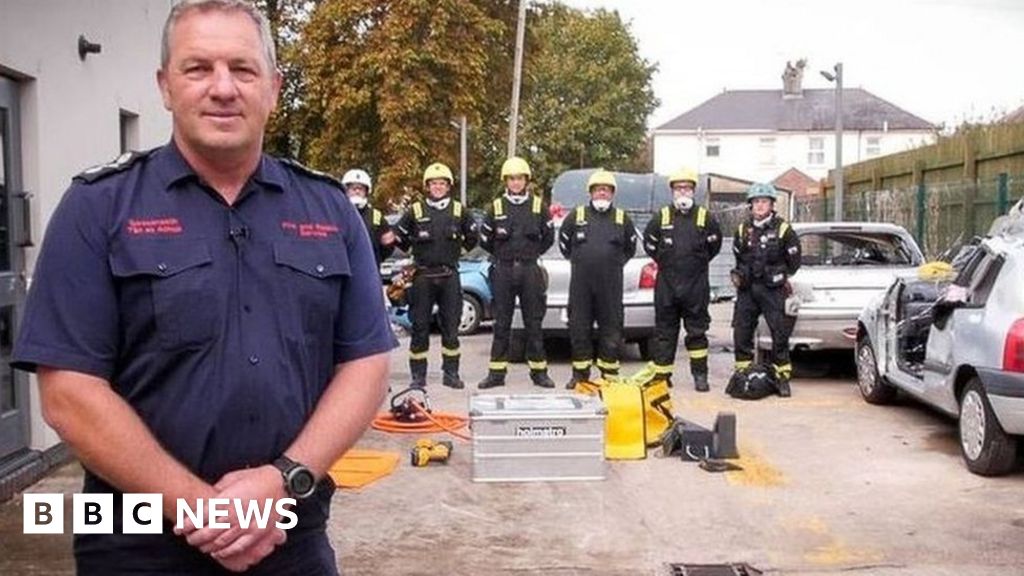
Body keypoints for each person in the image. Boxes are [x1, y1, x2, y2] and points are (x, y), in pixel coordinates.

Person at [11, 1, 397, 574]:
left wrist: (282, 479)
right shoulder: (98, 208)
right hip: (136, 544)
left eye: (242, 69)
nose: (222, 88)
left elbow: (365, 365)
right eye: (198, 69)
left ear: (273, 87)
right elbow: (68, 390)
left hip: (289, 532)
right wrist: (201, 507)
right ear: (165, 86)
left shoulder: (330, 210)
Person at [394, 162, 477, 389]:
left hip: (449, 276)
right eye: (434, 183)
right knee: (420, 327)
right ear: (427, 186)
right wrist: (414, 254)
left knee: (451, 327)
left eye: (442, 183)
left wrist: (454, 253)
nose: (438, 187)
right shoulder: (415, 211)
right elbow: (398, 238)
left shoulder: (460, 211)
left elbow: (472, 239)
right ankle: (418, 377)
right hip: (422, 278)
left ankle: (451, 374)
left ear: (448, 186)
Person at [477, 157, 556, 389]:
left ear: (526, 181)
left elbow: (548, 238)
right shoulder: (496, 207)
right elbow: (485, 240)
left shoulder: (538, 206)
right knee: (502, 322)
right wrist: (504, 256)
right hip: (503, 269)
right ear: (506, 181)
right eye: (511, 179)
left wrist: (529, 255)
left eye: (520, 178)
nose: (516, 183)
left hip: (530, 269)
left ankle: (539, 373)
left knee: (534, 322)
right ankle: (496, 374)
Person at [642, 168, 723, 392]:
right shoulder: (661, 217)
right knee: (664, 333)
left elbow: (713, 246)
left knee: (697, 332)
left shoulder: (705, 217)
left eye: (687, 188)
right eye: (678, 188)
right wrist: (665, 261)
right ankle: (662, 377)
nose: (683, 192)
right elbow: (649, 244)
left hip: (695, 285)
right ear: (672, 191)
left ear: (693, 191)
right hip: (666, 284)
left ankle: (700, 376)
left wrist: (697, 262)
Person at [559, 170, 637, 389]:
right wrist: (582, 261)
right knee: (579, 328)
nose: (602, 192)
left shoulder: (622, 219)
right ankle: (580, 375)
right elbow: (564, 243)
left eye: (606, 189)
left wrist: (613, 262)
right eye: (598, 189)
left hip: (610, 286)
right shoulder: (577, 216)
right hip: (581, 286)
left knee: (611, 329)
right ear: (591, 192)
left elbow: (630, 248)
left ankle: (609, 375)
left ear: (612, 193)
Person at [730, 182, 801, 396]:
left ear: (772, 205)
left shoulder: (783, 229)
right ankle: (742, 375)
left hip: (773, 290)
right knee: (742, 332)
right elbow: (738, 256)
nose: (760, 206)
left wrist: (778, 275)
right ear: (750, 205)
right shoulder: (743, 229)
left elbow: (794, 261)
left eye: (764, 202)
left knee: (779, 333)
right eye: (756, 202)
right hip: (748, 290)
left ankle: (782, 377)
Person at [342, 168, 396, 268]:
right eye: (353, 188)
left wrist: (376, 259)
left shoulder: (376, 216)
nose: (357, 191)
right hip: (344, 270)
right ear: (346, 191)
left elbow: (388, 247)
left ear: (366, 192)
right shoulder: (338, 214)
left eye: (361, 188)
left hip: (370, 270)